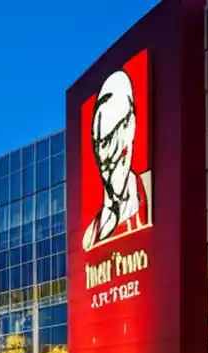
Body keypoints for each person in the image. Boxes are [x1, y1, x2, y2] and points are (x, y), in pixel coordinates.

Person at [82, 68, 152, 252]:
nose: (104, 155)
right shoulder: (89, 237)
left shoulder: (152, 194)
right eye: (98, 143)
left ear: (131, 125)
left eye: (110, 138)